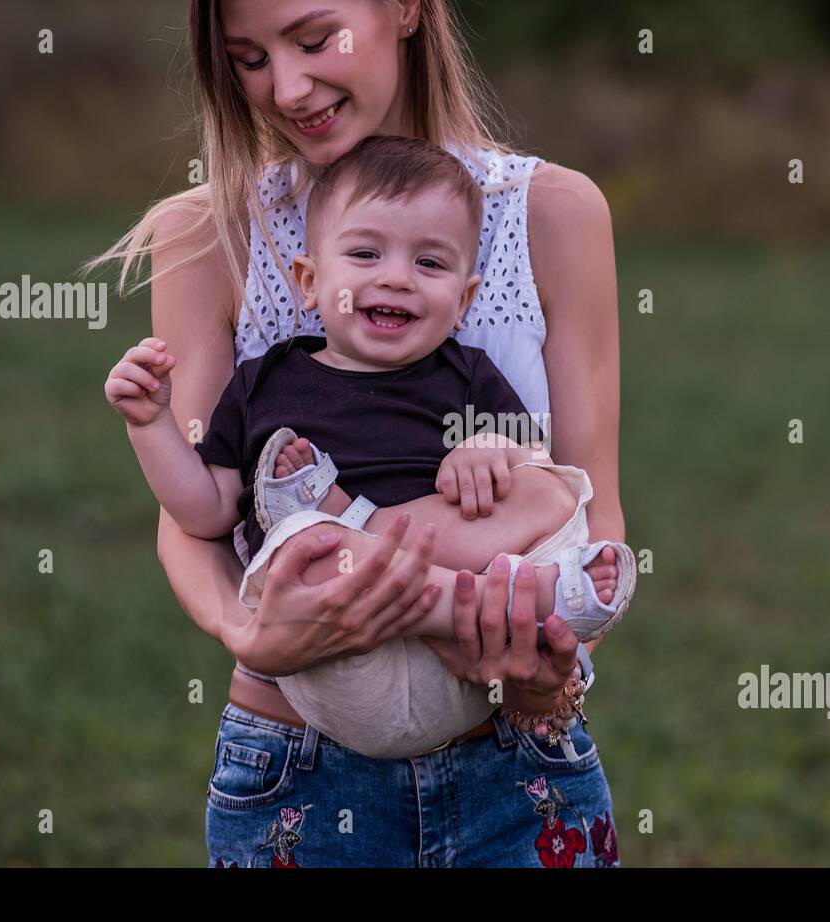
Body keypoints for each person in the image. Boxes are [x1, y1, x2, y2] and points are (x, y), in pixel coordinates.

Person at [90, 0, 626, 867]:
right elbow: (193, 517)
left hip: (516, 766)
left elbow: (590, 502)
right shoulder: (207, 234)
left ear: (407, 9)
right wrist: (248, 631)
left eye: (311, 38)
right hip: (296, 763)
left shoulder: (555, 213)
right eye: (249, 57)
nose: (287, 87)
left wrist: (544, 675)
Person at [105, 135, 636, 759]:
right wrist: (150, 426)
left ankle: (369, 535)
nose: (395, 278)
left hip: (465, 677)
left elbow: (540, 470)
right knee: (300, 546)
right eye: (364, 253)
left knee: (550, 490)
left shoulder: (466, 375)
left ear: (464, 300)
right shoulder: (267, 384)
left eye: (430, 265)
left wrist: (490, 449)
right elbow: (204, 510)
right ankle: (515, 594)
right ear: (309, 280)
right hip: (345, 658)